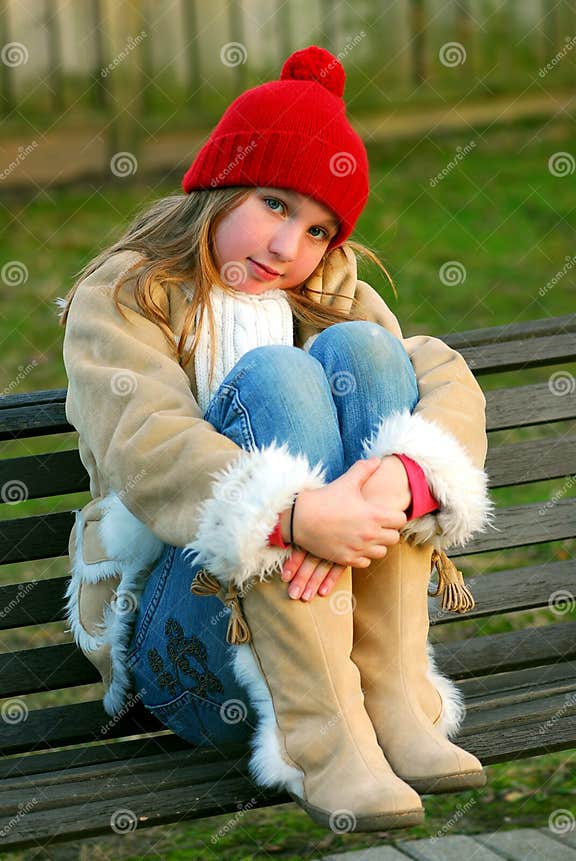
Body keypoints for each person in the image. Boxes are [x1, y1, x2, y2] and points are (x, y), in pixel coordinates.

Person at [57, 45, 495, 833]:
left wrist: (407, 473)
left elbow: (443, 373)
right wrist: (291, 512)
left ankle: (392, 697)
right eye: (274, 203)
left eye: (320, 228)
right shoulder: (121, 298)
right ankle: (321, 740)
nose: (291, 247)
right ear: (219, 183)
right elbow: (147, 441)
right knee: (280, 380)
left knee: (366, 353)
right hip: (196, 651)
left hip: (355, 675)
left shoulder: (329, 295)